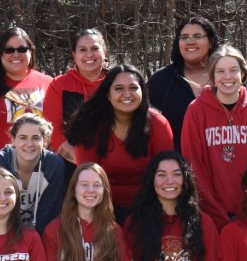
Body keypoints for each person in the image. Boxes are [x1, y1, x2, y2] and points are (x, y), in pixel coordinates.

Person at [65, 63, 174, 222]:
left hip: (149, 206)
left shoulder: (159, 125)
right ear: (108, 95)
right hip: (101, 206)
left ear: (142, 92)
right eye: (119, 89)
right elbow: (88, 178)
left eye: (133, 88)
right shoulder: (90, 126)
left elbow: (165, 176)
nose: (127, 94)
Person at [182, 45, 247, 231]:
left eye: (233, 70)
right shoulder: (196, 110)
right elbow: (193, 164)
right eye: (220, 71)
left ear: (243, 74)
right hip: (208, 213)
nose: (227, 77)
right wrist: (214, 211)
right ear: (213, 77)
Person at [0, 26, 53, 179]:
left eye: (22, 49)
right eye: (9, 50)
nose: (16, 54)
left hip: (39, 176)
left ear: (30, 51)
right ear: (0, 54)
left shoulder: (48, 83)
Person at [146, 17, 221, 154]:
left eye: (197, 36)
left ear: (211, 41)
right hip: (176, 168)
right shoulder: (161, 81)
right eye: (184, 37)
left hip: (223, 166)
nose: (190, 41)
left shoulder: (228, 77)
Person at [0, 114, 66, 234]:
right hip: (4, 231)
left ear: (45, 140)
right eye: (23, 137)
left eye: (35, 138)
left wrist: (35, 246)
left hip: (38, 234)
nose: (29, 144)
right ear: (13, 139)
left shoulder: (54, 165)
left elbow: (49, 214)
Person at [45, 29, 110, 163]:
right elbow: (52, 132)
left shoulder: (117, 82)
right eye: (82, 50)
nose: (89, 54)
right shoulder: (59, 85)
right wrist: (83, 162)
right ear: (74, 54)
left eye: (94, 48)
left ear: (104, 52)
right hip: (72, 165)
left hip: (114, 164)